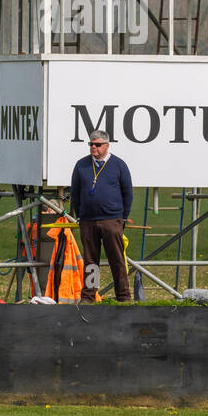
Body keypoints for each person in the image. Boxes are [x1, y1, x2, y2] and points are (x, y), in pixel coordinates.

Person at [69, 129, 134, 303]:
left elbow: (127, 192)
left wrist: (122, 218)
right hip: (88, 221)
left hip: (111, 220)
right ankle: (89, 296)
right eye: (91, 144)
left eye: (97, 145)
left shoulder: (119, 165)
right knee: (91, 261)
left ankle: (123, 295)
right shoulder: (81, 165)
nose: (93, 148)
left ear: (107, 145)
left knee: (117, 259)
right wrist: (81, 214)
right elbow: (75, 193)